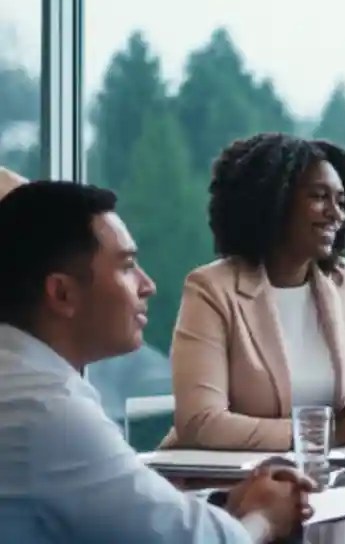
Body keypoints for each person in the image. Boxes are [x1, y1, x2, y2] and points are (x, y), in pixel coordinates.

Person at [0, 180, 316, 543]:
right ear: (62, 293)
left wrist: (224, 508)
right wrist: (265, 518)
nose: (147, 285)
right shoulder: (47, 410)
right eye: (127, 266)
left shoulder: (21, 381)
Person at [164, 133, 345, 453]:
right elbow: (201, 422)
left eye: (341, 202)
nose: (336, 214)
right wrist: (327, 435)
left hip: (321, 479)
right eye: (319, 197)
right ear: (273, 201)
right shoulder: (211, 289)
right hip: (219, 487)